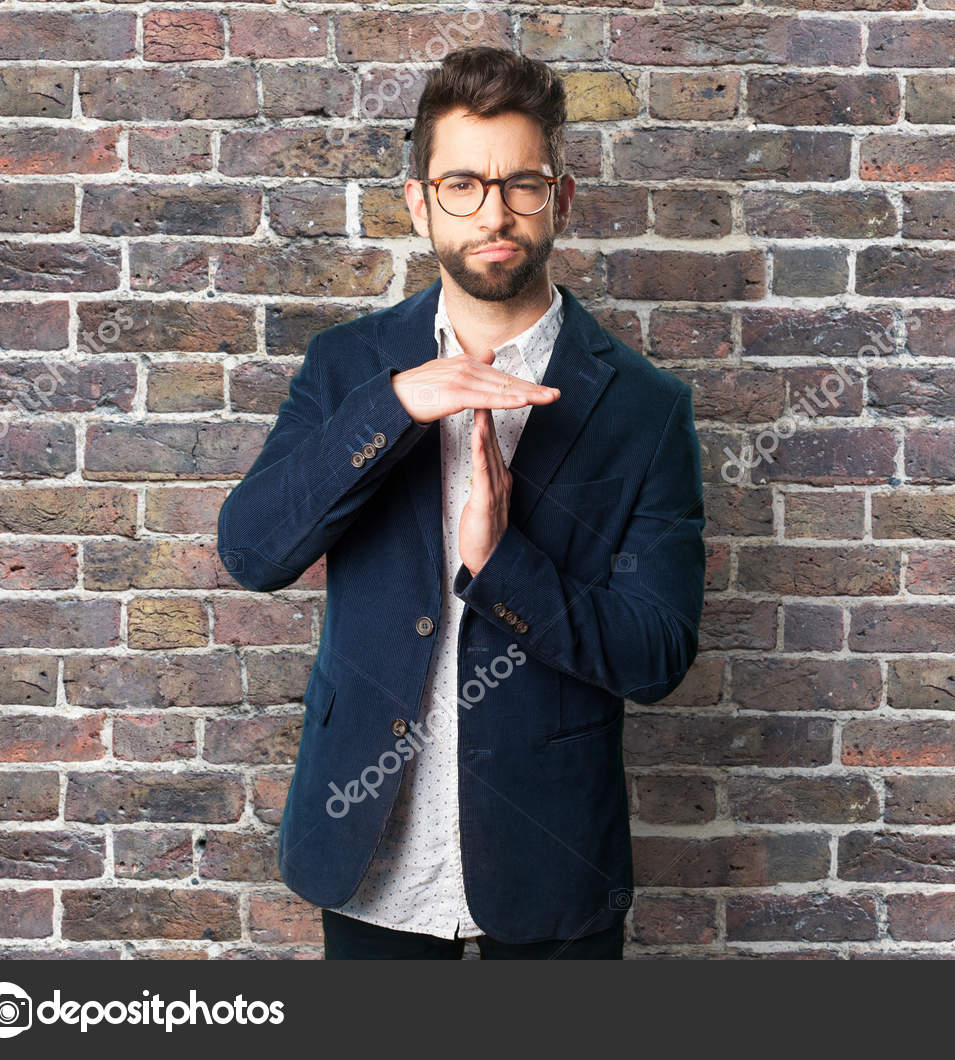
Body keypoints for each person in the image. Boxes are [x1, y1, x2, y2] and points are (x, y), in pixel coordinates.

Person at [215, 45, 706, 959]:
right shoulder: (349, 370)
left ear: (558, 200)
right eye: (464, 185)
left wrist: (502, 564)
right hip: (370, 856)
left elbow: (658, 655)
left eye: (521, 183)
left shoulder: (643, 407)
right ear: (420, 201)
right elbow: (252, 552)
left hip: (550, 865)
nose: (494, 212)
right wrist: (396, 405)